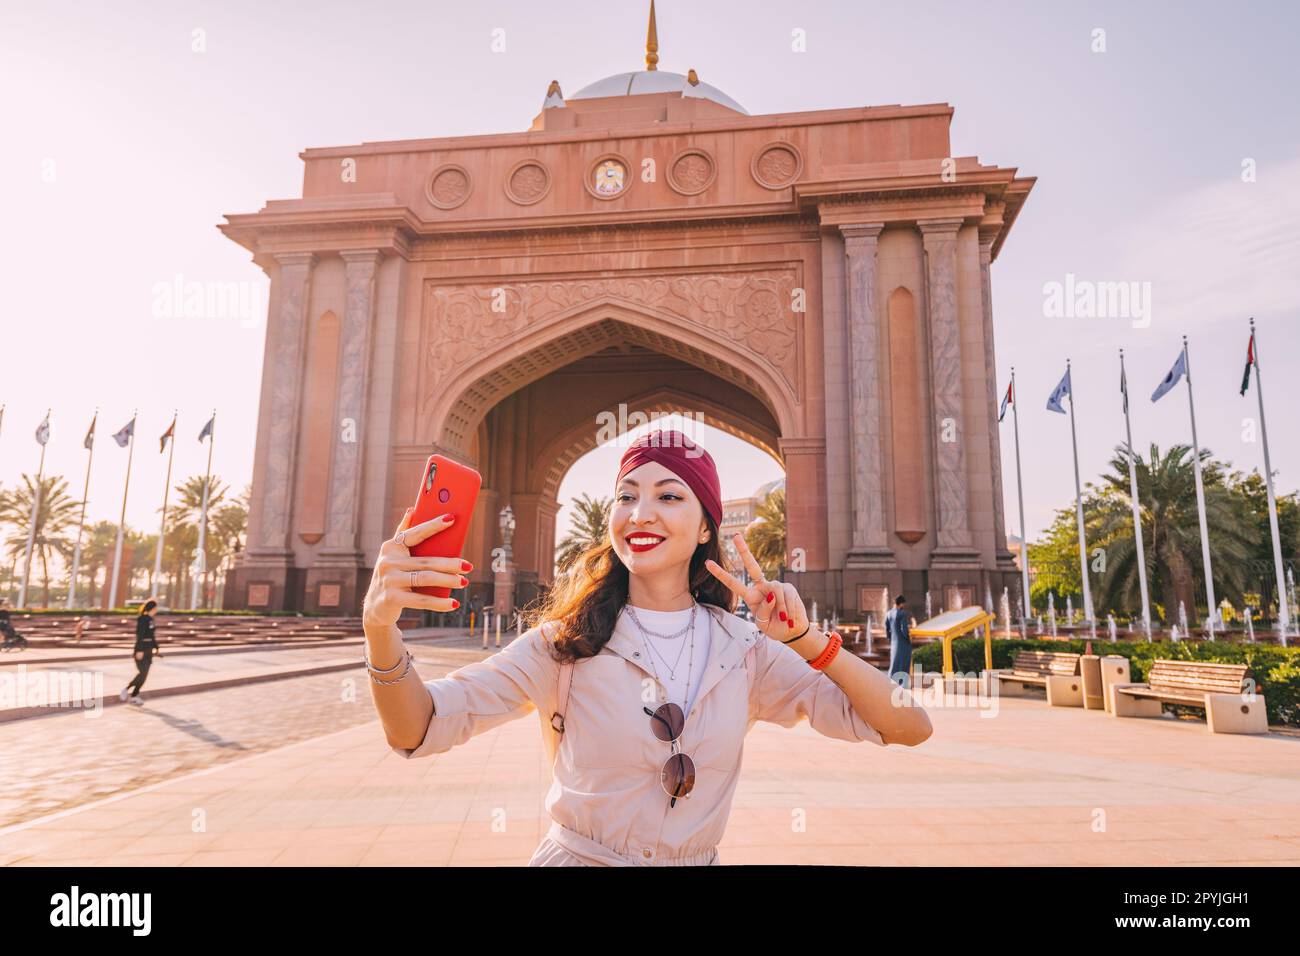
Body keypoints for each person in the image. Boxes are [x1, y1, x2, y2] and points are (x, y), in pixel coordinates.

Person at [363, 428, 932, 866]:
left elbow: (908, 726)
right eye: (626, 496)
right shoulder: (565, 645)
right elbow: (417, 728)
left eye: (668, 496)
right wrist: (380, 630)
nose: (641, 514)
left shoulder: (744, 650)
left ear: (707, 526)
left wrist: (808, 643)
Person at [119, 598, 162, 705]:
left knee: (145, 674)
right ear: (152, 608)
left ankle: (134, 695)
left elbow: (151, 636)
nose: (157, 610)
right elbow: (140, 635)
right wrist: (139, 650)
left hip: (148, 650)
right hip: (141, 649)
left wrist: (156, 648)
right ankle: (126, 689)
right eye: (156, 608)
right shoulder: (142, 619)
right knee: (142, 673)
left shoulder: (151, 619)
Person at [885, 594, 913, 689]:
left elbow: (887, 629)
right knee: (904, 661)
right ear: (901, 604)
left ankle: (890, 681)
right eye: (903, 604)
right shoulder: (902, 613)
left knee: (894, 662)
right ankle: (902, 683)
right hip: (902, 642)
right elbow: (904, 629)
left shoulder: (888, 613)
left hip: (894, 642)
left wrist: (890, 639)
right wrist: (908, 638)